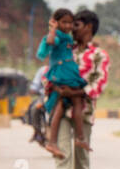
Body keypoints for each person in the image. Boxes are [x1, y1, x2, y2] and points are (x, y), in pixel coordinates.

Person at [48, 9, 110, 169]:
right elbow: (51, 70)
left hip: (83, 110)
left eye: (76, 25)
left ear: (88, 27)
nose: (72, 29)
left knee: (81, 153)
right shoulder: (66, 49)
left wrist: (75, 93)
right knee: (62, 150)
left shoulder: (99, 55)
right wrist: (57, 88)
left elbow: (98, 84)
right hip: (61, 106)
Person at [38, 9, 90, 159]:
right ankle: (79, 138)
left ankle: (52, 142)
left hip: (68, 70)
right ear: (56, 22)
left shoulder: (66, 37)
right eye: (64, 22)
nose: (68, 26)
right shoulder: (58, 36)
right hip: (63, 72)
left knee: (61, 106)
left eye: (70, 23)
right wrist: (53, 29)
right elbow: (50, 42)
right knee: (76, 100)